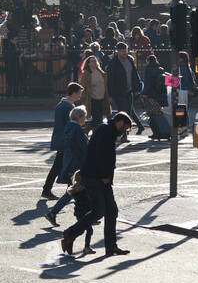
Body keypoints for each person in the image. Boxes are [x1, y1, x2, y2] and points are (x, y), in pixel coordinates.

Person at [60, 111, 133, 258]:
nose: (124, 131)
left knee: (112, 212)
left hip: (99, 178)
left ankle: (111, 247)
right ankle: (70, 234)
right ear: (119, 123)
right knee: (98, 211)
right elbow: (100, 154)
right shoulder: (106, 131)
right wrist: (104, 175)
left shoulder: (108, 131)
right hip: (95, 177)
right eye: (125, 128)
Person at [46, 104, 90, 227]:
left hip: (70, 164)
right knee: (77, 191)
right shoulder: (76, 130)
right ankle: (86, 215)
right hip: (76, 166)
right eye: (84, 117)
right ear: (80, 117)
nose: (85, 120)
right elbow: (83, 148)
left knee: (73, 191)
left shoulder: (70, 128)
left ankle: (54, 213)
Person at [42, 82, 84, 199]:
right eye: (79, 93)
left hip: (60, 139)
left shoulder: (61, 104)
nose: (80, 96)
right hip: (66, 140)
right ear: (74, 92)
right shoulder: (69, 107)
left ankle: (49, 189)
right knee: (67, 165)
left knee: (59, 166)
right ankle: (69, 190)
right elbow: (71, 124)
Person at [107, 43, 144, 134]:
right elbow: (110, 79)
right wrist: (110, 94)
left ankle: (137, 127)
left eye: (126, 50)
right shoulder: (113, 63)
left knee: (129, 110)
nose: (124, 52)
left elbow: (135, 75)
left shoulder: (130, 60)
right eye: (122, 51)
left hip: (129, 90)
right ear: (118, 51)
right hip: (119, 91)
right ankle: (124, 133)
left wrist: (137, 89)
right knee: (124, 112)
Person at [68, 173, 96, 257]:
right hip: (84, 213)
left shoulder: (76, 189)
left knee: (81, 229)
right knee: (88, 230)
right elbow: (88, 203)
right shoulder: (84, 191)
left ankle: (70, 237)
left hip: (79, 212)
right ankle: (86, 247)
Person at [80, 53, 109, 126]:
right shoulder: (86, 74)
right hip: (92, 99)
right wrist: (83, 98)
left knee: (99, 118)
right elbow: (82, 87)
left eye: (95, 61)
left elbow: (105, 85)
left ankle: (91, 130)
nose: (95, 62)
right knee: (97, 118)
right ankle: (93, 132)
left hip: (102, 98)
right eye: (92, 61)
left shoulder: (101, 72)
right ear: (88, 64)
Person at [2, 32, 22, 98]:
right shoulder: (10, 45)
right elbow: (14, 53)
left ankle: (12, 93)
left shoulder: (11, 45)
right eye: (15, 39)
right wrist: (18, 52)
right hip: (11, 64)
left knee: (13, 80)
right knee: (12, 80)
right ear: (12, 39)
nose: (17, 41)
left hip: (13, 64)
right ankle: (13, 93)